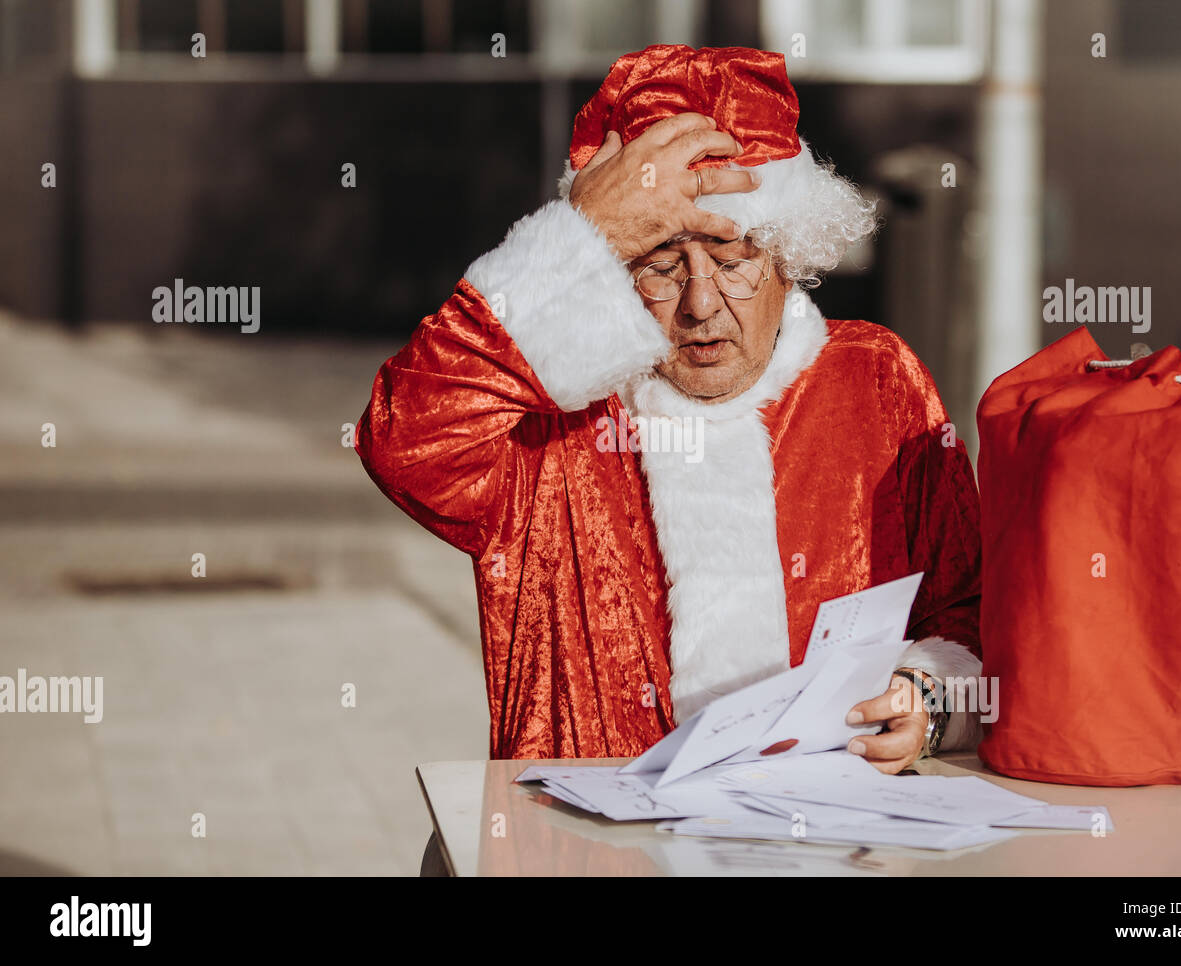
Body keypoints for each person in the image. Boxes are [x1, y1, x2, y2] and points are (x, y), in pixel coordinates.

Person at [356, 45, 983, 770]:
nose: (700, 303)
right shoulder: (545, 425)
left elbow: (965, 609)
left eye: (733, 259)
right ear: (611, 270)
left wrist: (929, 701)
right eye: (658, 263)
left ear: (787, 255)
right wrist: (578, 240)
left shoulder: (877, 380)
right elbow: (406, 439)